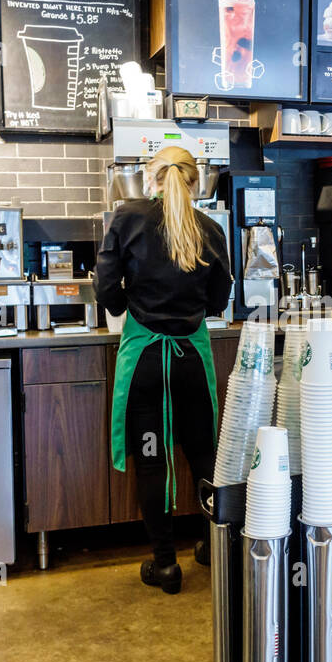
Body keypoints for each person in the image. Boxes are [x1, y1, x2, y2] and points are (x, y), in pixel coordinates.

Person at [95, 145, 233, 594]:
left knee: (152, 461)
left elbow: (105, 287)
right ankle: (214, 549)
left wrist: (129, 306)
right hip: (191, 359)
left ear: (150, 177)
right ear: (194, 182)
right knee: (203, 455)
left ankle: (166, 566)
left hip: (146, 362)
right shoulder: (210, 229)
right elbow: (219, 298)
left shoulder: (126, 218)